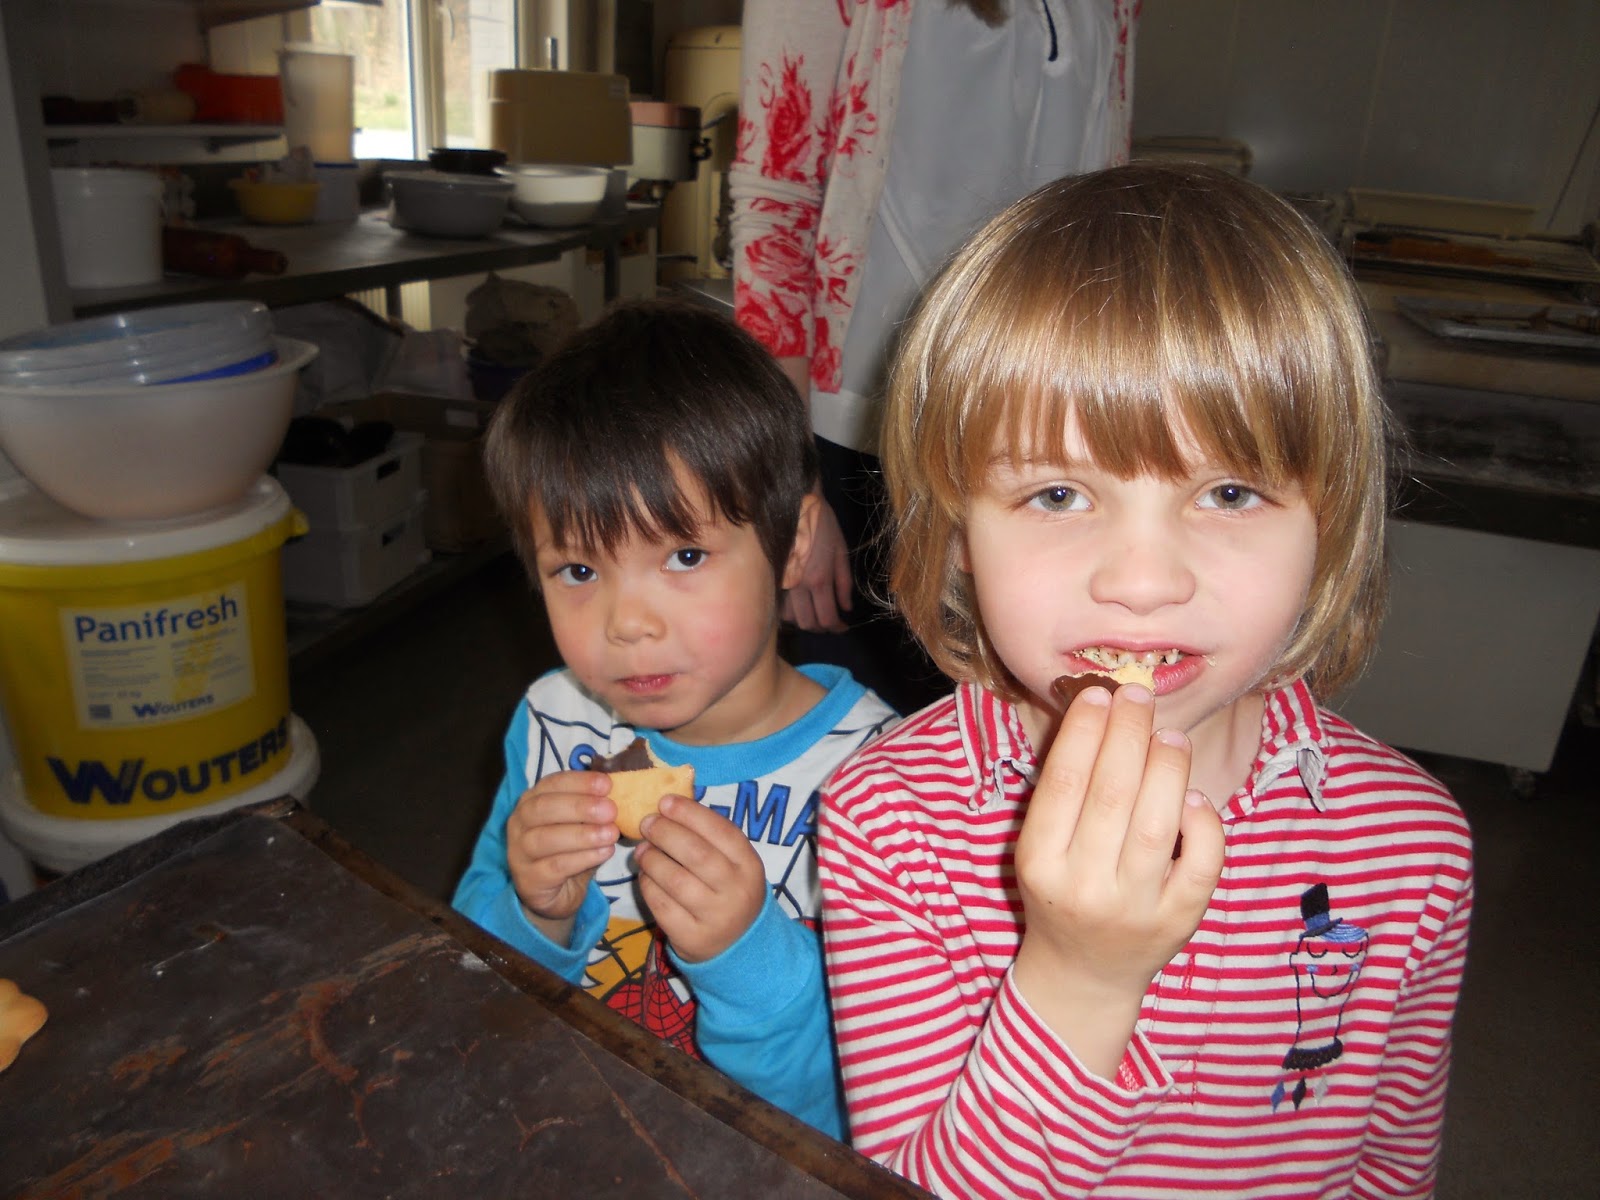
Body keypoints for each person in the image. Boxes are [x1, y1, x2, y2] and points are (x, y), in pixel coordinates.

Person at [817, 163, 1475, 1197]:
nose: (1141, 582)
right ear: (953, 540)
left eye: (1226, 490)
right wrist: (1079, 977)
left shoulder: (1413, 846)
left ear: (1329, 531)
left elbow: (1392, 1161)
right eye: (1054, 493)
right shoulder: (885, 822)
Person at [453, 299, 898, 1139]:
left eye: (684, 556)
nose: (627, 623)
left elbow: (867, 1108)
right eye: (577, 568)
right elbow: (474, 977)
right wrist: (534, 909)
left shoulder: (879, 778)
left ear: (796, 542)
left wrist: (746, 954)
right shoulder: (556, 722)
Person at [730, 0, 1139, 714]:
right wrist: (788, 484)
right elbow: (775, 205)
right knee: (864, 759)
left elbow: (1108, 202)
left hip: (1047, 433)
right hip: (861, 441)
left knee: (1021, 739)